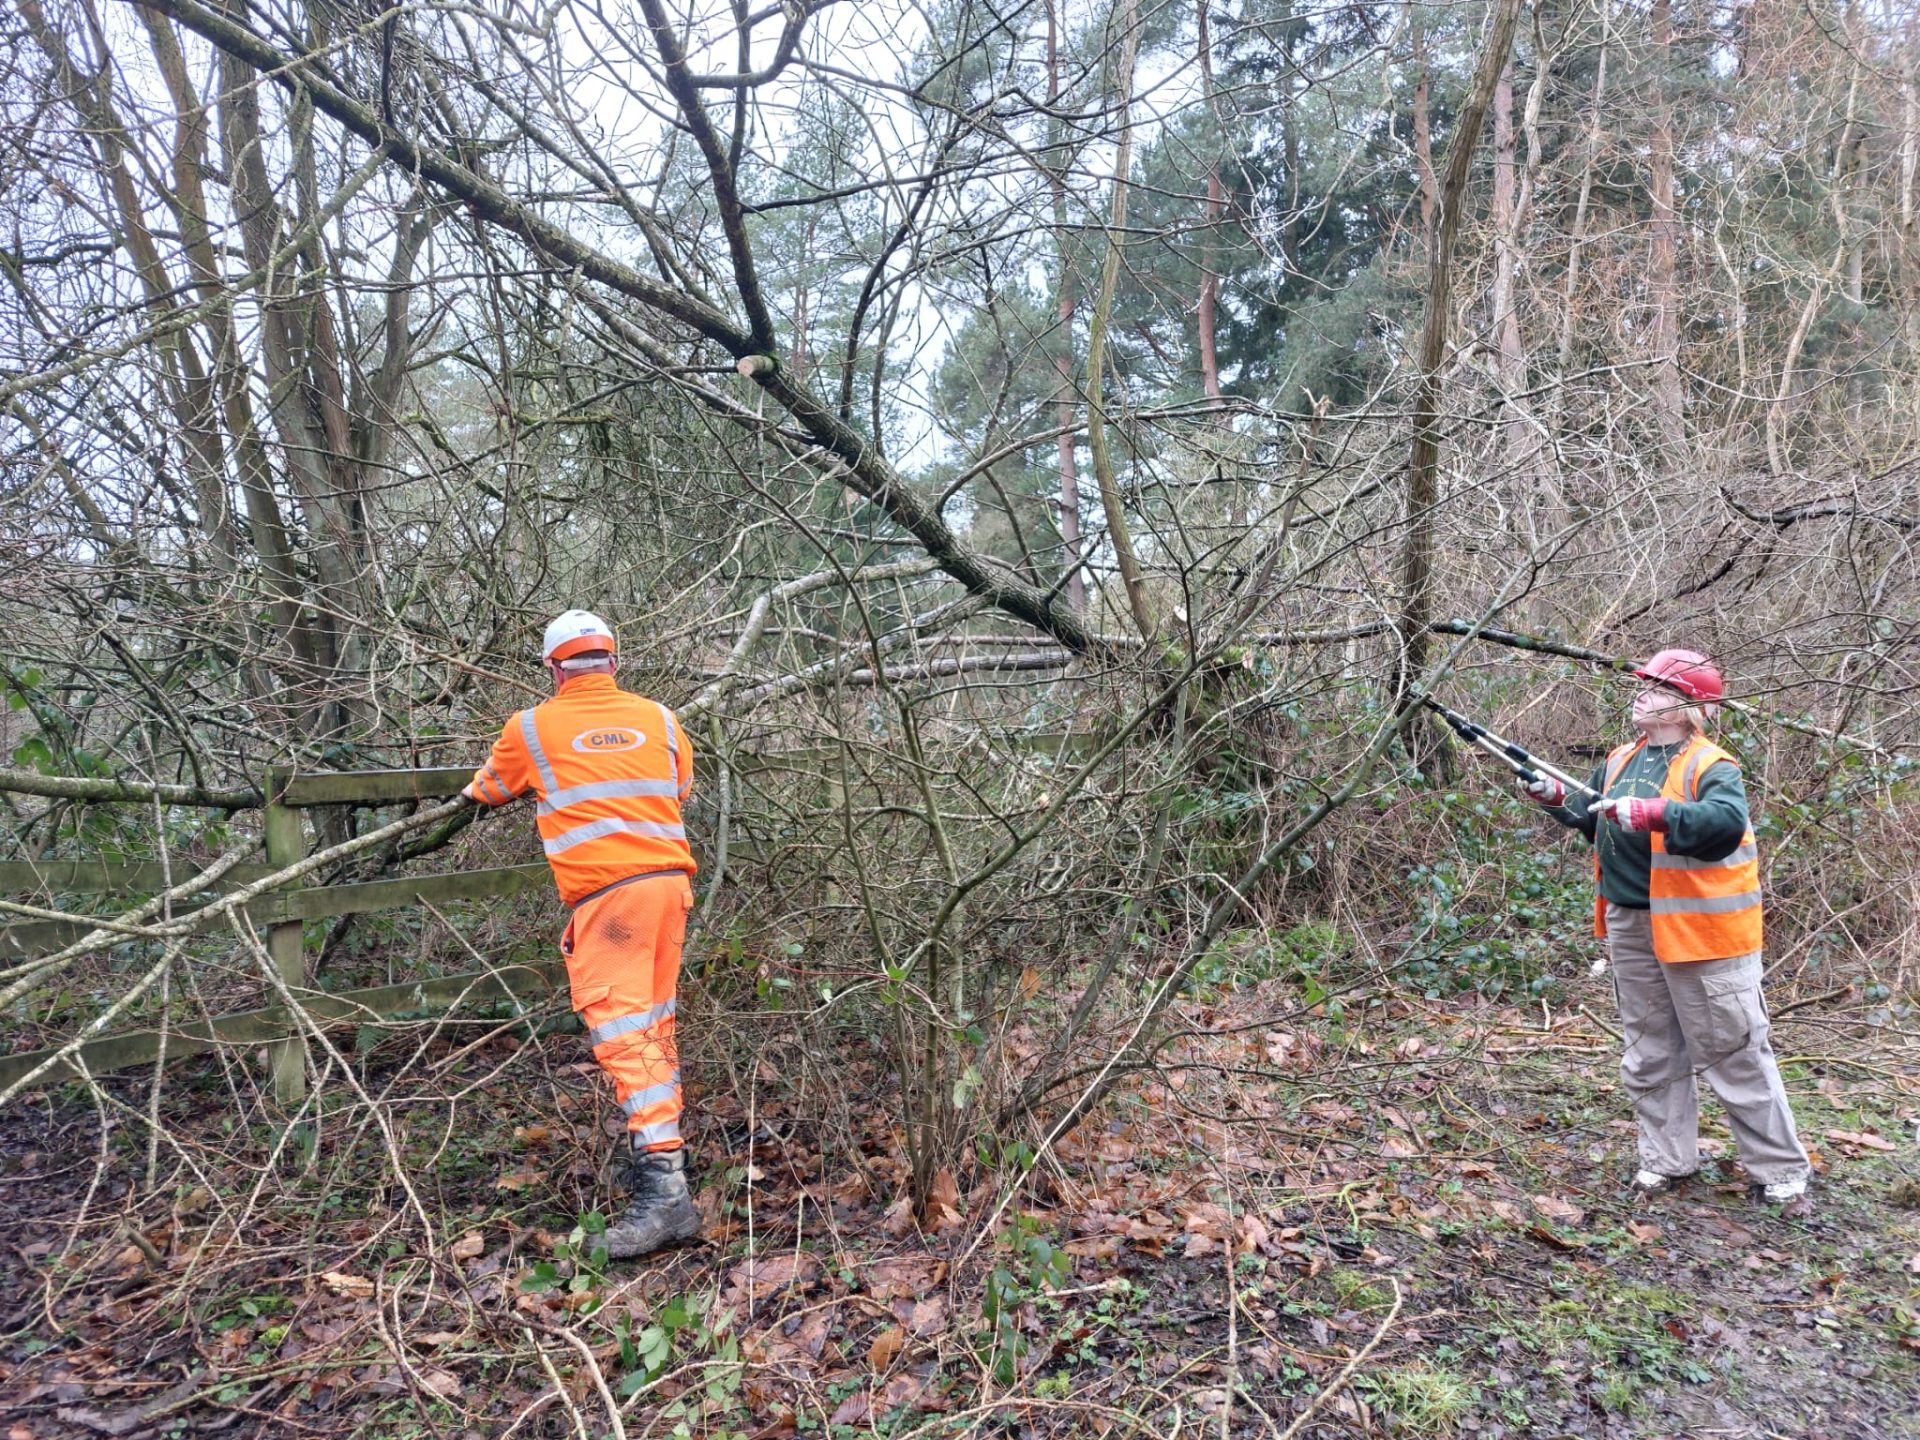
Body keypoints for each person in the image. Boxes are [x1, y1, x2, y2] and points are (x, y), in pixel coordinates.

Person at [1523, 648, 1812, 1206]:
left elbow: (1724, 824)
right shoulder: (1620, 759)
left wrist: (1653, 813)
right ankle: (1665, 1161)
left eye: (1657, 688)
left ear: (1687, 707)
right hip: (1630, 925)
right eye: (1644, 685)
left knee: (1733, 1053)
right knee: (1650, 1051)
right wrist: (1556, 799)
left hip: (1705, 937)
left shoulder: (1713, 765)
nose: (1642, 694)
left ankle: (1781, 1171)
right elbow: (1595, 818)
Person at [464, 610, 701, 1256]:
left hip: (610, 901)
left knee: (627, 1040)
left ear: (554, 669)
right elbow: (678, 786)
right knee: (652, 1030)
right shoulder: (661, 719)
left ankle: (666, 1198)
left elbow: (487, 789)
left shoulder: (530, 728)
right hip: (667, 888)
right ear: (613, 661)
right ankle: (665, 1174)